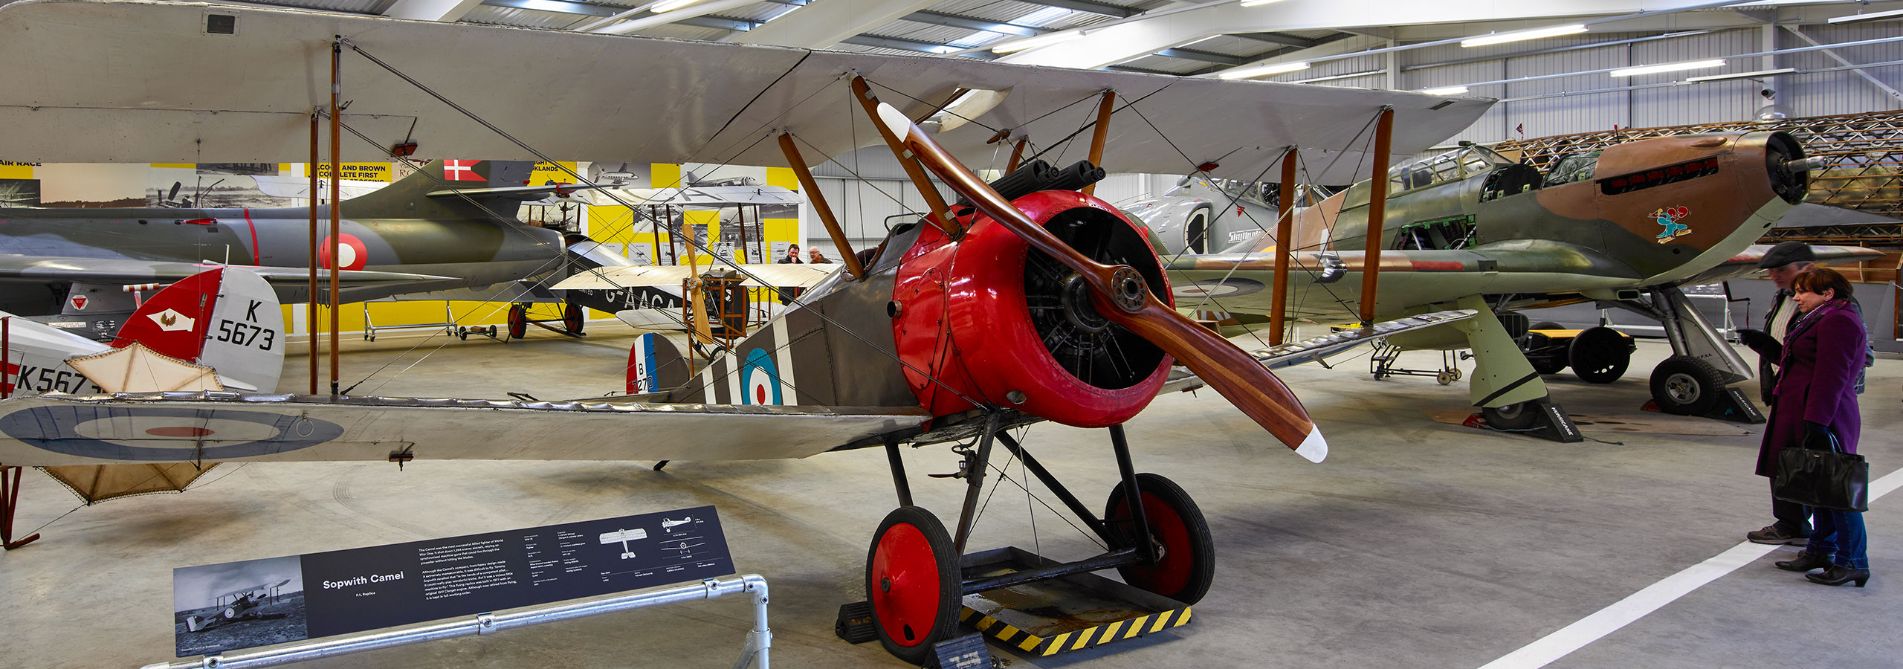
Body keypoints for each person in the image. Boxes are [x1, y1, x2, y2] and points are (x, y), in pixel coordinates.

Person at [1735, 242, 1873, 546]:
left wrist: (1820, 415)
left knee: (1827, 476)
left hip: (1820, 403)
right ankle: (1802, 532)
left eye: (1781, 270)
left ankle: (1844, 554)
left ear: (1809, 272)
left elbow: (1843, 365)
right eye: (1771, 270)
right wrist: (1765, 345)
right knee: (1787, 464)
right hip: (1793, 397)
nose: (1775, 277)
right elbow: (1797, 352)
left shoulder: (1838, 315)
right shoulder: (1785, 299)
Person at [1758, 268, 1869, 587]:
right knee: (1818, 485)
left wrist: (1818, 421)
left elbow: (1832, 374)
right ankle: (1821, 549)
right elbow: (1803, 360)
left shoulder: (1839, 321)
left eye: (1804, 291)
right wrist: (1764, 346)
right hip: (1807, 410)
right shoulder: (1821, 317)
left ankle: (1853, 561)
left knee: (1837, 489)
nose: (1797, 297)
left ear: (1828, 293)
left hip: (1825, 414)